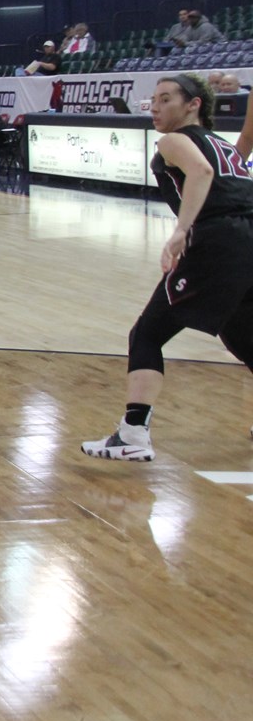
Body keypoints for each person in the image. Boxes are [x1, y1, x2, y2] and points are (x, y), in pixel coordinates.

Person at [84, 74, 253, 463]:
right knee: (243, 337)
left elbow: (202, 174)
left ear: (192, 104)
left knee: (147, 333)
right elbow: (233, 163)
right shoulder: (219, 143)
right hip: (247, 239)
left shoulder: (175, 140)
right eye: (153, 100)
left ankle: (133, 433)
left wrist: (180, 231)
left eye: (165, 99)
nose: (155, 107)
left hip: (219, 242)